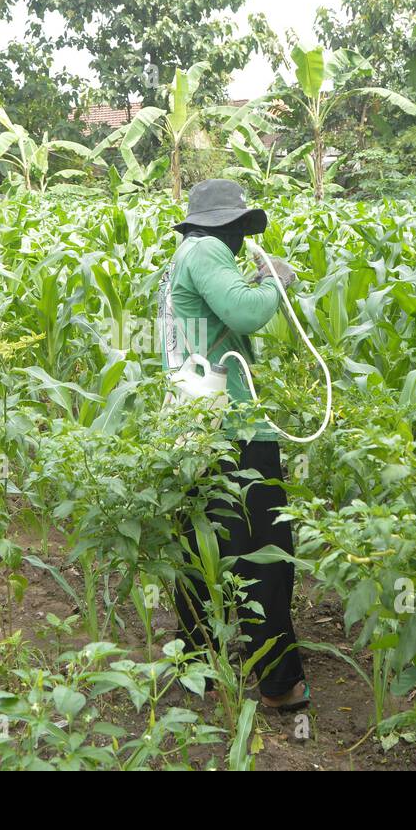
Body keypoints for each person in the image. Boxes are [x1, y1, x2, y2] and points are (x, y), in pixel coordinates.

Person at [157, 178, 308, 712]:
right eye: (242, 228)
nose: (244, 238)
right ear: (231, 227)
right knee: (266, 556)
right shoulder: (208, 250)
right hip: (236, 431)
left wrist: (255, 282)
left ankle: (200, 671)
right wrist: (273, 282)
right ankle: (279, 684)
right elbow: (246, 312)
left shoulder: (186, 254)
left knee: (204, 549)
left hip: (195, 427)